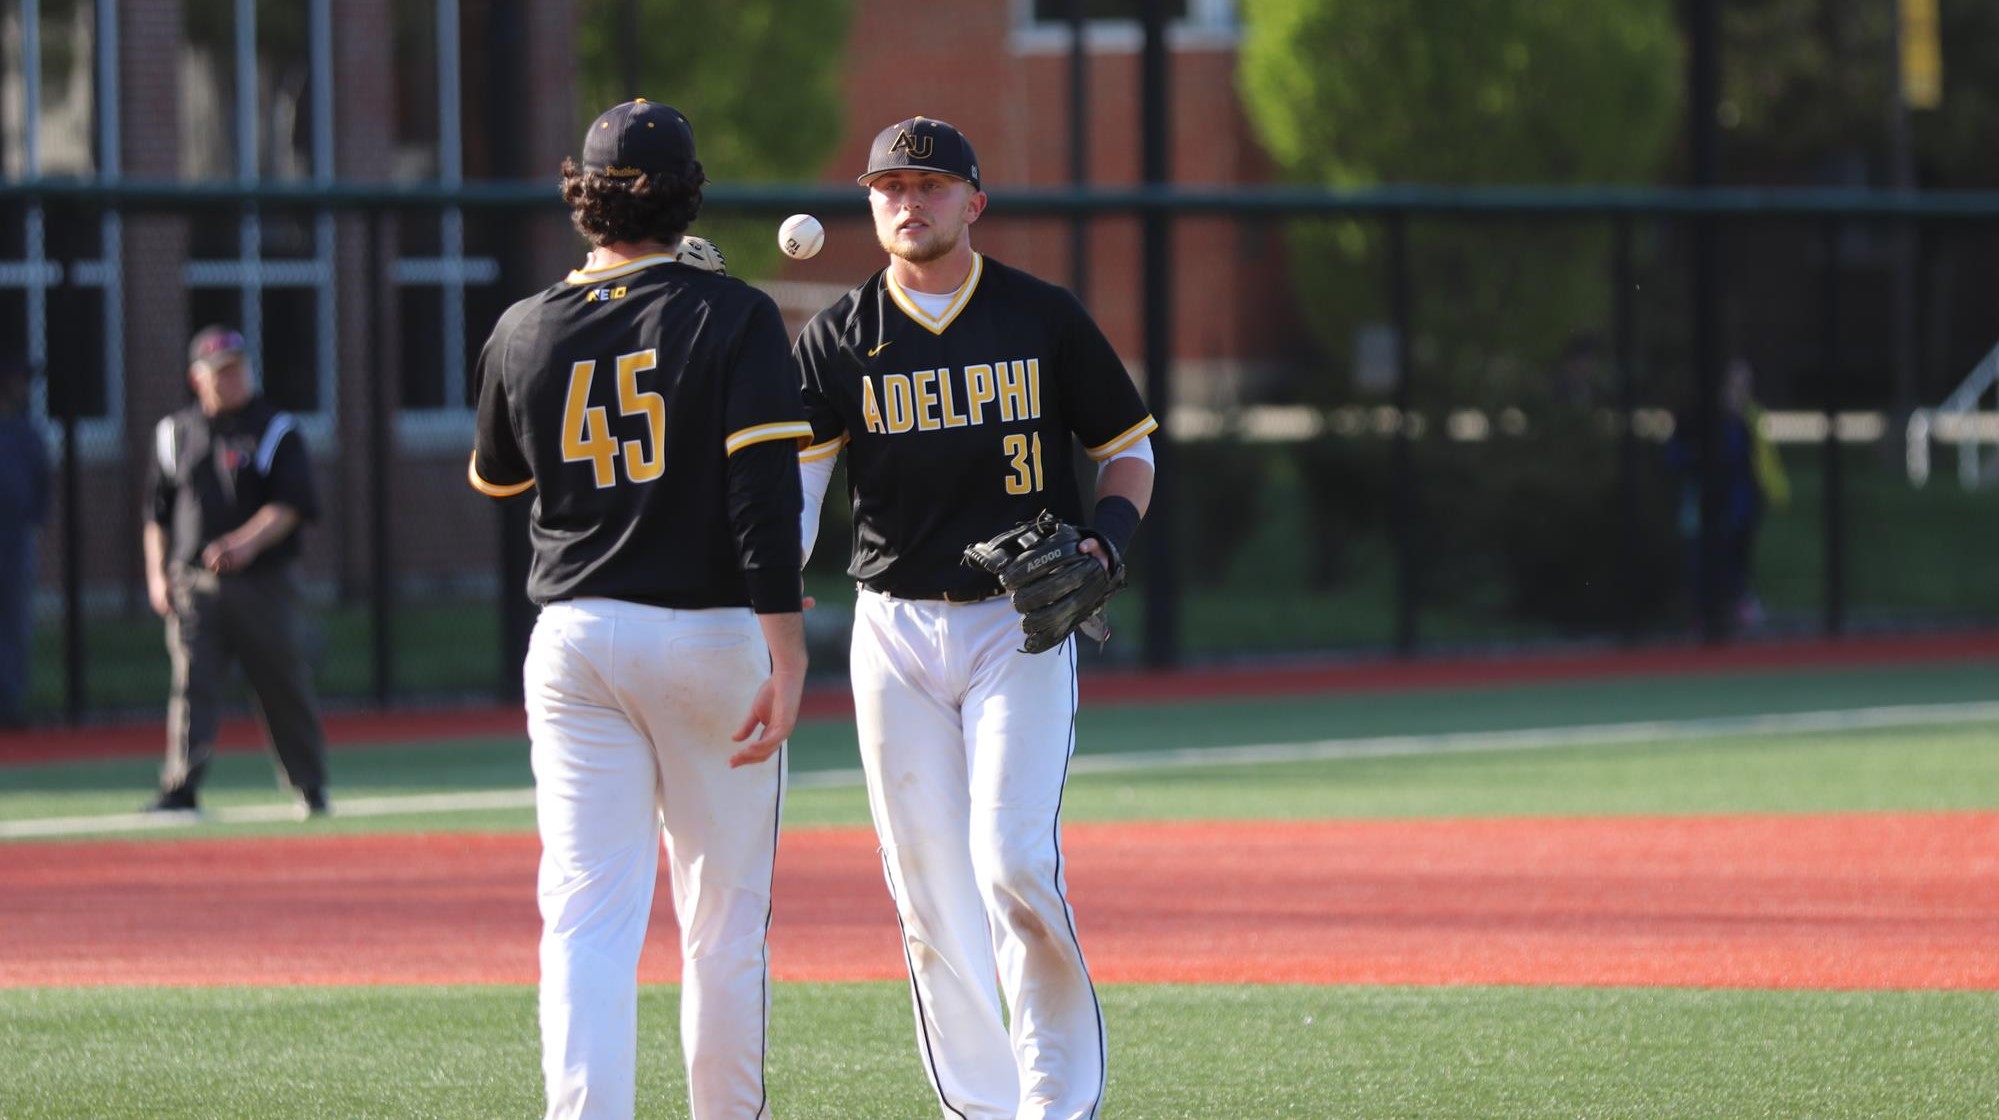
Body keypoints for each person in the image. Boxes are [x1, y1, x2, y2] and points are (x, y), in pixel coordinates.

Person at [792, 116, 1158, 1120]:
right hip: (894, 631)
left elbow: (1128, 451)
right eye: (889, 187)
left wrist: (1105, 543)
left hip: (1017, 627)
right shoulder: (838, 335)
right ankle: (979, 1109)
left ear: (973, 202)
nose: (908, 202)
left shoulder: (1040, 317)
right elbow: (800, 490)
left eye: (930, 185)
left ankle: (1056, 1102)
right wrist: (770, 583)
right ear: (872, 205)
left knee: (1012, 863)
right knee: (926, 892)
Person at [468, 98, 811, 1120]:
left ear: (582, 197)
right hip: (707, 636)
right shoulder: (733, 312)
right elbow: (761, 499)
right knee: (723, 924)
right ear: (687, 196)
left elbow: (500, 478)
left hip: (574, 639)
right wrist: (787, 651)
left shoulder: (522, 326)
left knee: (584, 917)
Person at [143, 326, 329, 815]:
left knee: (281, 683)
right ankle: (180, 788)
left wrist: (244, 544)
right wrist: (157, 577)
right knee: (191, 684)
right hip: (194, 583)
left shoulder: (274, 428)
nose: (233, 379)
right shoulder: (174, 433)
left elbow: (291, 504)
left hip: (263, 582)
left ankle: (309, 786)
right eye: (221, 372)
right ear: (197, 379)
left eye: (238, 368)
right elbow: (157, 516)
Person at [1666, 357, 1788, 629]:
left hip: (1738, 507)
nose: (1739, 393)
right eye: (1734, 386)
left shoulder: (1747, 421)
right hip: (1702, 506)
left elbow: (1756, 462)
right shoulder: (1695, 419)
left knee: (1735, 561)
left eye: (1745, 386)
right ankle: (1704, 614)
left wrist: (1768, 493)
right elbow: (1676, 458)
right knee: (1702, 561)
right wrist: (1699, 458)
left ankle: (1736, 607)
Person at [0, 357, 50, 728]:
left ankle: (10, 703)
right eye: (17, 380)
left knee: (14, 619)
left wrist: (34, 520)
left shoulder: (25, 431)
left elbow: (42, 482)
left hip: (14, 536)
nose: (24, 388)